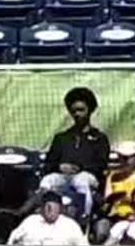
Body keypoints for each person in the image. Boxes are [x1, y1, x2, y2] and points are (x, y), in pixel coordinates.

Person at [40, 87, 110, 219]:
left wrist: (79, 168)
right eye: (74, 111)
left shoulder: (99, 138)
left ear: (89, 110)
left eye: (81, 110)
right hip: (63, 177)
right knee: (47, 181)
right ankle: (45, 216)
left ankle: (84, 218)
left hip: (87, 178)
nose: (77, 114)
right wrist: (59, 167)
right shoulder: (62, 138)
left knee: (80, 180)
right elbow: (49, 163)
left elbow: (101, 165)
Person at [96, 141, 135, 243]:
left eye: (127, 158)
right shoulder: (113, 177)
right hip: (116, 217)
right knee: (102, 228)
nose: (124, 161)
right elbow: (107, 201)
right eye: (121, 157)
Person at [7, 191, 88, 246]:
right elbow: (11, 242)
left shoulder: (70, 225)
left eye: (54, 208)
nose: (50, 211)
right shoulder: (30, 222)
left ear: (60, 209)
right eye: (48, 207)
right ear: (42, 208)